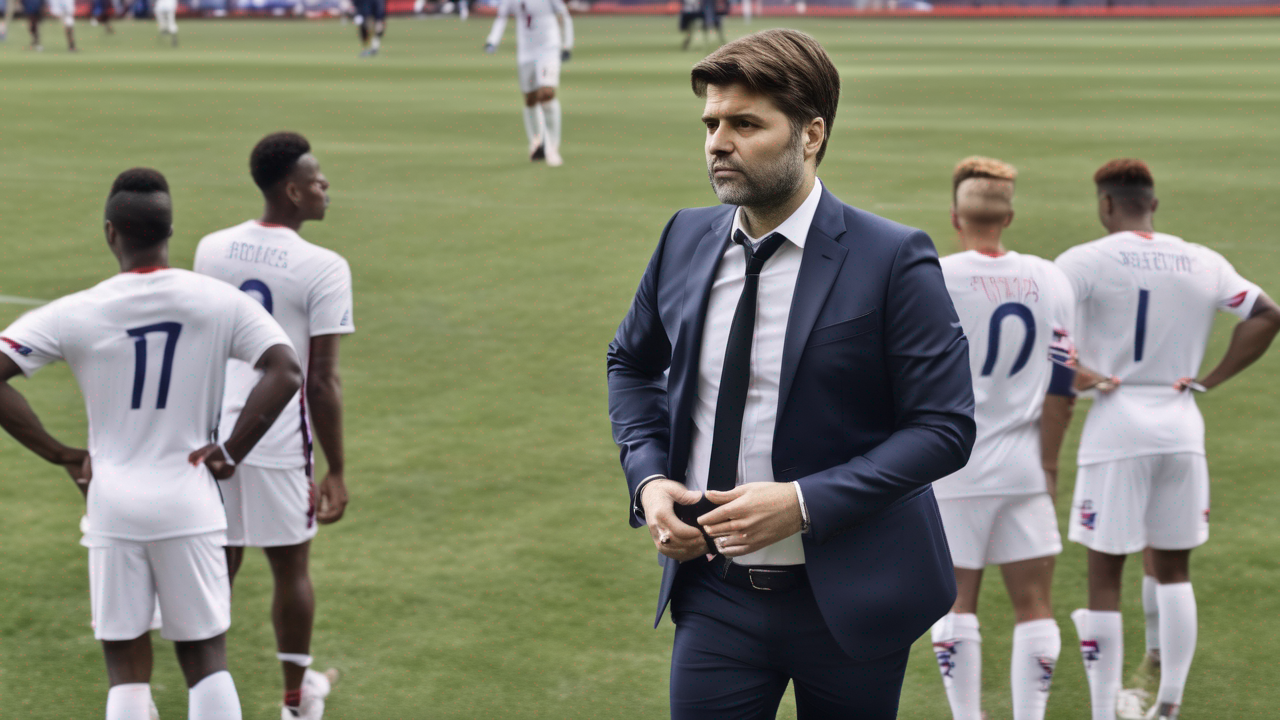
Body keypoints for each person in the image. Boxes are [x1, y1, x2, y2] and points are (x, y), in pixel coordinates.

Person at [607, 30, 975, 718]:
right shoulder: (684, 237)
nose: (718, 142)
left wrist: (803, 502)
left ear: (810, 135)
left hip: (852, 602)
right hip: (714, 595)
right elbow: (630, 362)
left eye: (745, 124)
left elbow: (945, 428)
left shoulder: (892, 257)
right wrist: (650, 478)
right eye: (712, 123)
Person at [0, 168, 302, 720]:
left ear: (111, 232)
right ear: (169, 233)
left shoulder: (76, 310)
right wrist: (231, 451)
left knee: (125, 667)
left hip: (113, 503)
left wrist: (61, 453)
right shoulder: (218, 302)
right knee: (206, 656)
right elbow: (286, 371)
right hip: (190, 501)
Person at [1056, 159, 1280, 720]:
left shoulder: (1084, 259)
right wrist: (1212, 378)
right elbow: (1265, 314)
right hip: (1182, 427)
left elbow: (1044, 327)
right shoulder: (1201, 259)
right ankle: (1169, 705)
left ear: (1106, 205)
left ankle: (1106, 711)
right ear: (1152, 204)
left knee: (1105, 576)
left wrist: (1083, 375)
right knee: (1175, 571)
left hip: (1117, 425)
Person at [194, 132, 352, 720]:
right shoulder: (325, 267)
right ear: (291, 190)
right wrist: (336, 468)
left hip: (215, 435)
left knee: (219, 566)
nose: (325, 186)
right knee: (291, 568)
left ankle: (205, 692)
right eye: (316, 180)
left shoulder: (211, 248)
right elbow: (321, 381)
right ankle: (295, 700)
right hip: (280, 438)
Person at [931, 157, 1076, 720]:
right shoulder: (1051, 277)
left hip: (952, 467)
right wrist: (1050, 466)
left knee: (956, 604)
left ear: (955, 216)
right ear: (1010, 216)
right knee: (1036, 605)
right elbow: (1064, 381)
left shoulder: (935, 275)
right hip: (1024, 467)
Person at [484, 0, 573, 167]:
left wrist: (567, 45)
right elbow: (501, 17)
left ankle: (552, 147)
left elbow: (564, 15)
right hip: (526, 51)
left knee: (546, 93)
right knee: (530, 98)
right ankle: (537, 142)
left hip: (549, 48)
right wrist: (492, 40)